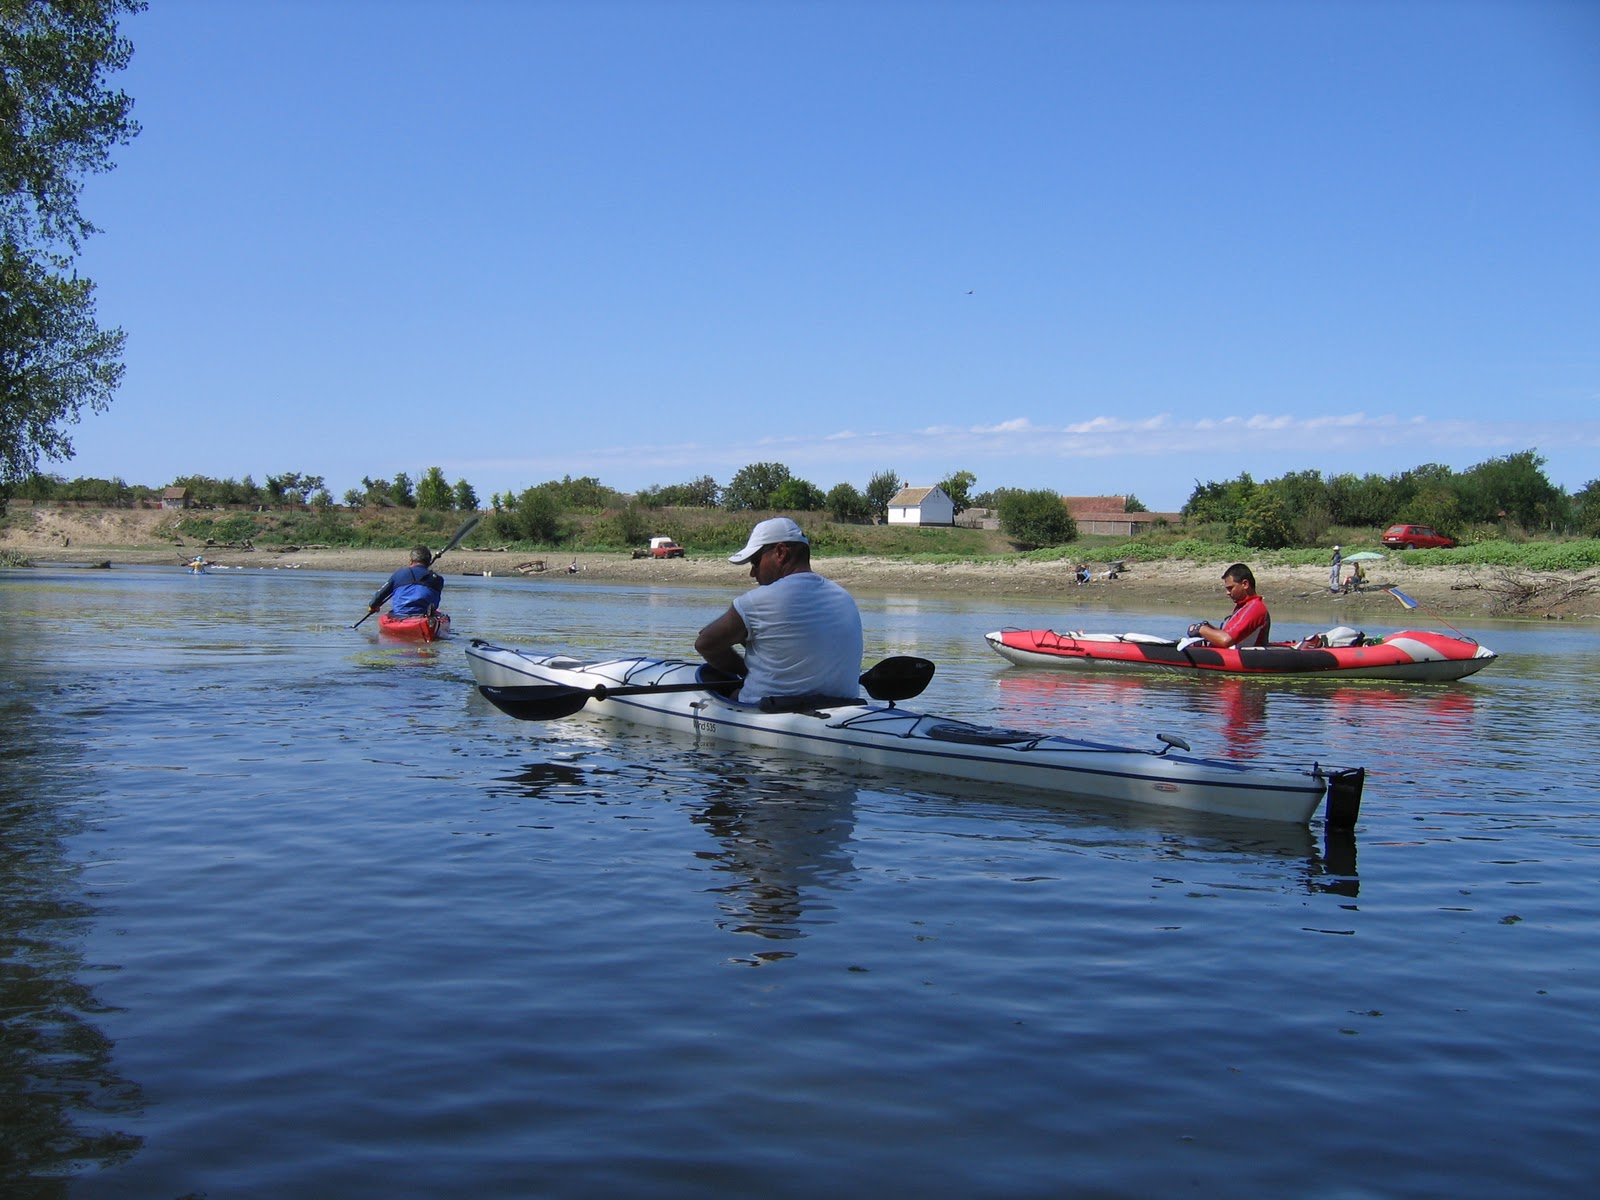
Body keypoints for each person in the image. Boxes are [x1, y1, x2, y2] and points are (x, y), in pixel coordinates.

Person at [695, 517, 864, 707]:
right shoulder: (844, 597)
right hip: (844, 707)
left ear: (780, 552)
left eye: (755, 561)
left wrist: (744, 670)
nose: (753, 572)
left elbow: (705, 643)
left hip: (772, 709)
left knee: (729, 693)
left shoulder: (756, 601)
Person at [1186, 563, 1271, 648]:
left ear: (1245, 584)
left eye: (1230, 588)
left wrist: (1200, 629)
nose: (1227, 593)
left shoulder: (1255, 607)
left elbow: (1226, 640)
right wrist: (1209, 628)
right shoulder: (1243, 606)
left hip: (1248, 658)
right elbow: (1229, 634)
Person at [368, 545, 444, 619]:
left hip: (400, 616)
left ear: (411, 561)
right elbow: (435, 600)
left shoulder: (399, 574)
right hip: (425, 618)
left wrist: (373, 606)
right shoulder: (438, 579)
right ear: (428, 562)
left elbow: (378, 596)